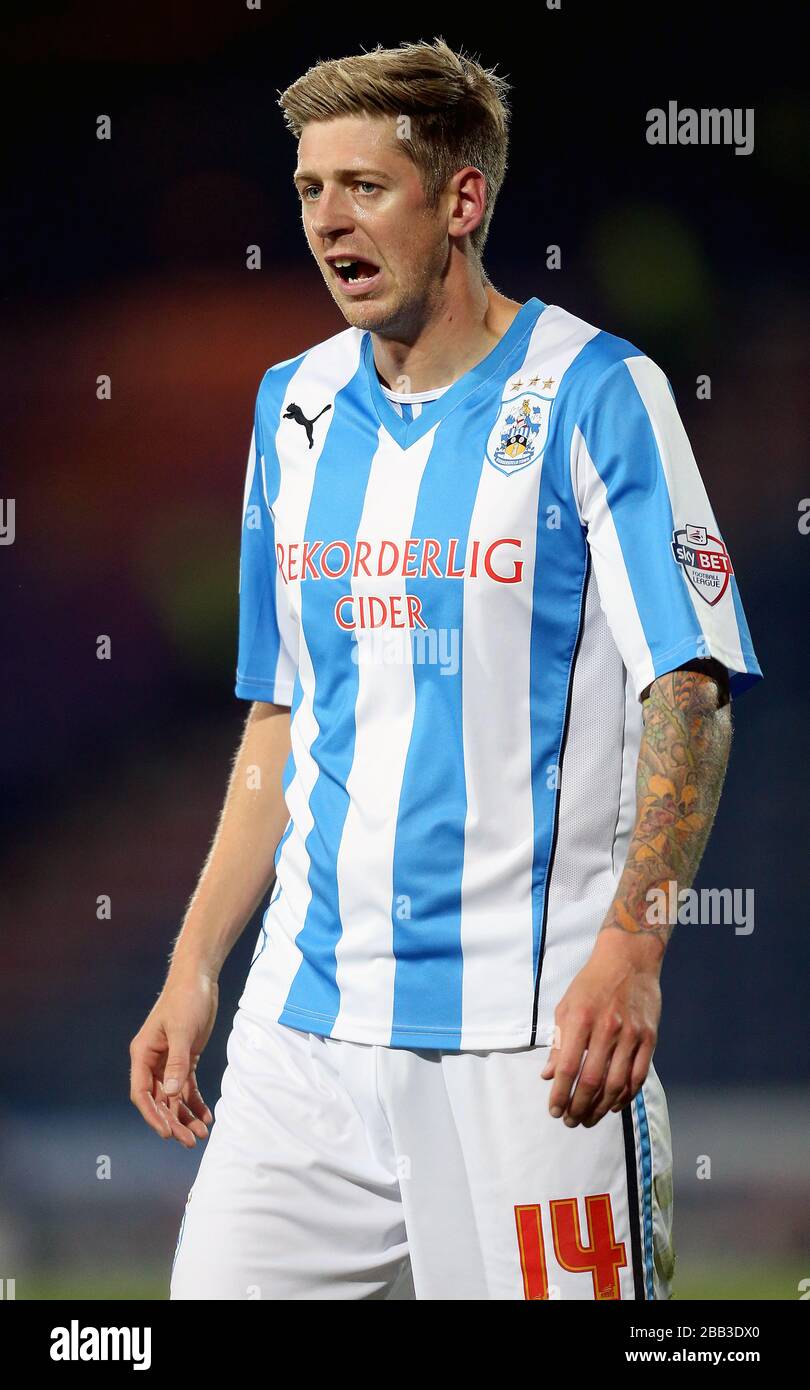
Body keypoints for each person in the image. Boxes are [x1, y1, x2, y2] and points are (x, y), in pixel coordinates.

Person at [129, 38, 763, 1300]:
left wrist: (633, 951)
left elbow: (688, 689)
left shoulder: (600, 393)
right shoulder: (291, 407)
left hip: (534, 1051)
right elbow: (281, 715)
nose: (325, 221)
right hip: (304, 1039)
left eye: (364, 186)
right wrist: (196, 962)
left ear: (461, 201)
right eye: (310, 189)